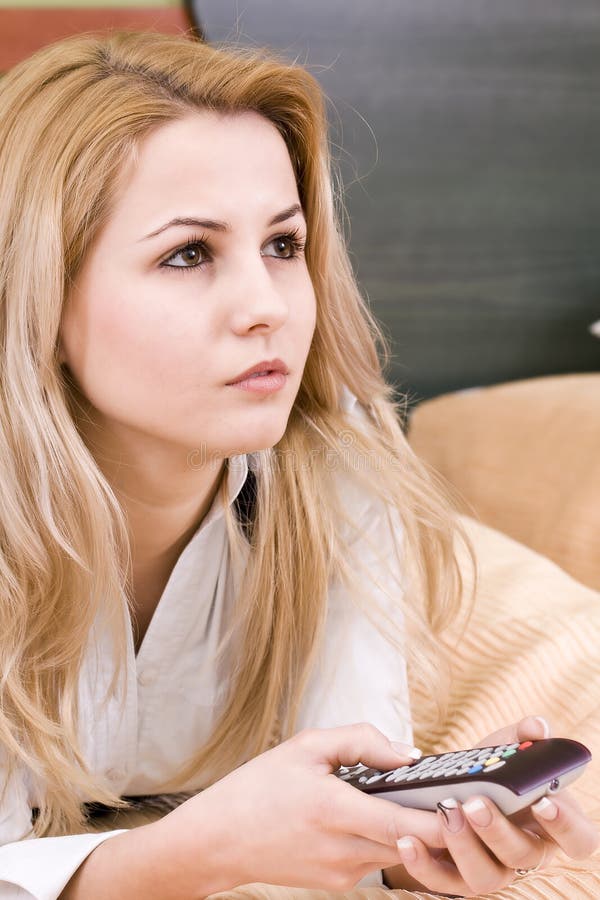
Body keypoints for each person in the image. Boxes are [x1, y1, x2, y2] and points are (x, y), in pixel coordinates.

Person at [0, 28, 596, 900]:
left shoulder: (336, 458)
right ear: (39, 298)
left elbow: (344, 787)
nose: (266, 307)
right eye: (188, 254)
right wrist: (181, 858)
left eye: (283, 245)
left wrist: (419, 852)